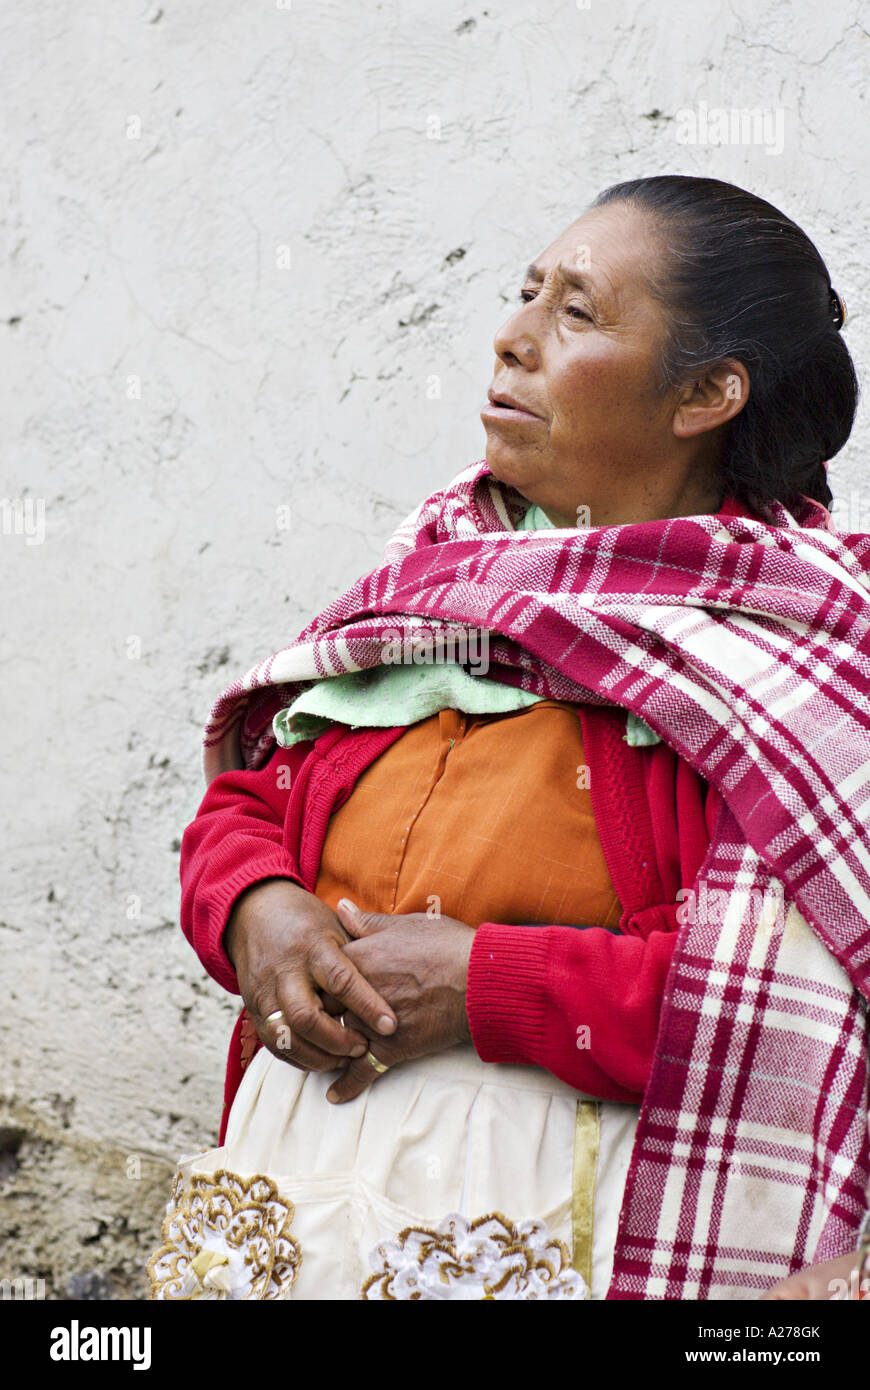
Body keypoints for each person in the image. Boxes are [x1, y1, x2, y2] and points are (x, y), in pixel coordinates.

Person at [148, 175, 869, 1301]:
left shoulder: (781, 666)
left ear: (708, 392)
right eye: (527, 293)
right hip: (287, 1205)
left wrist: (489, 984)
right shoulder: (437, 585)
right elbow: (251, 801)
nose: (513, 335)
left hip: (558, 1228)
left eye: (576, 313)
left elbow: (774, 1019)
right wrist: (256, 909)